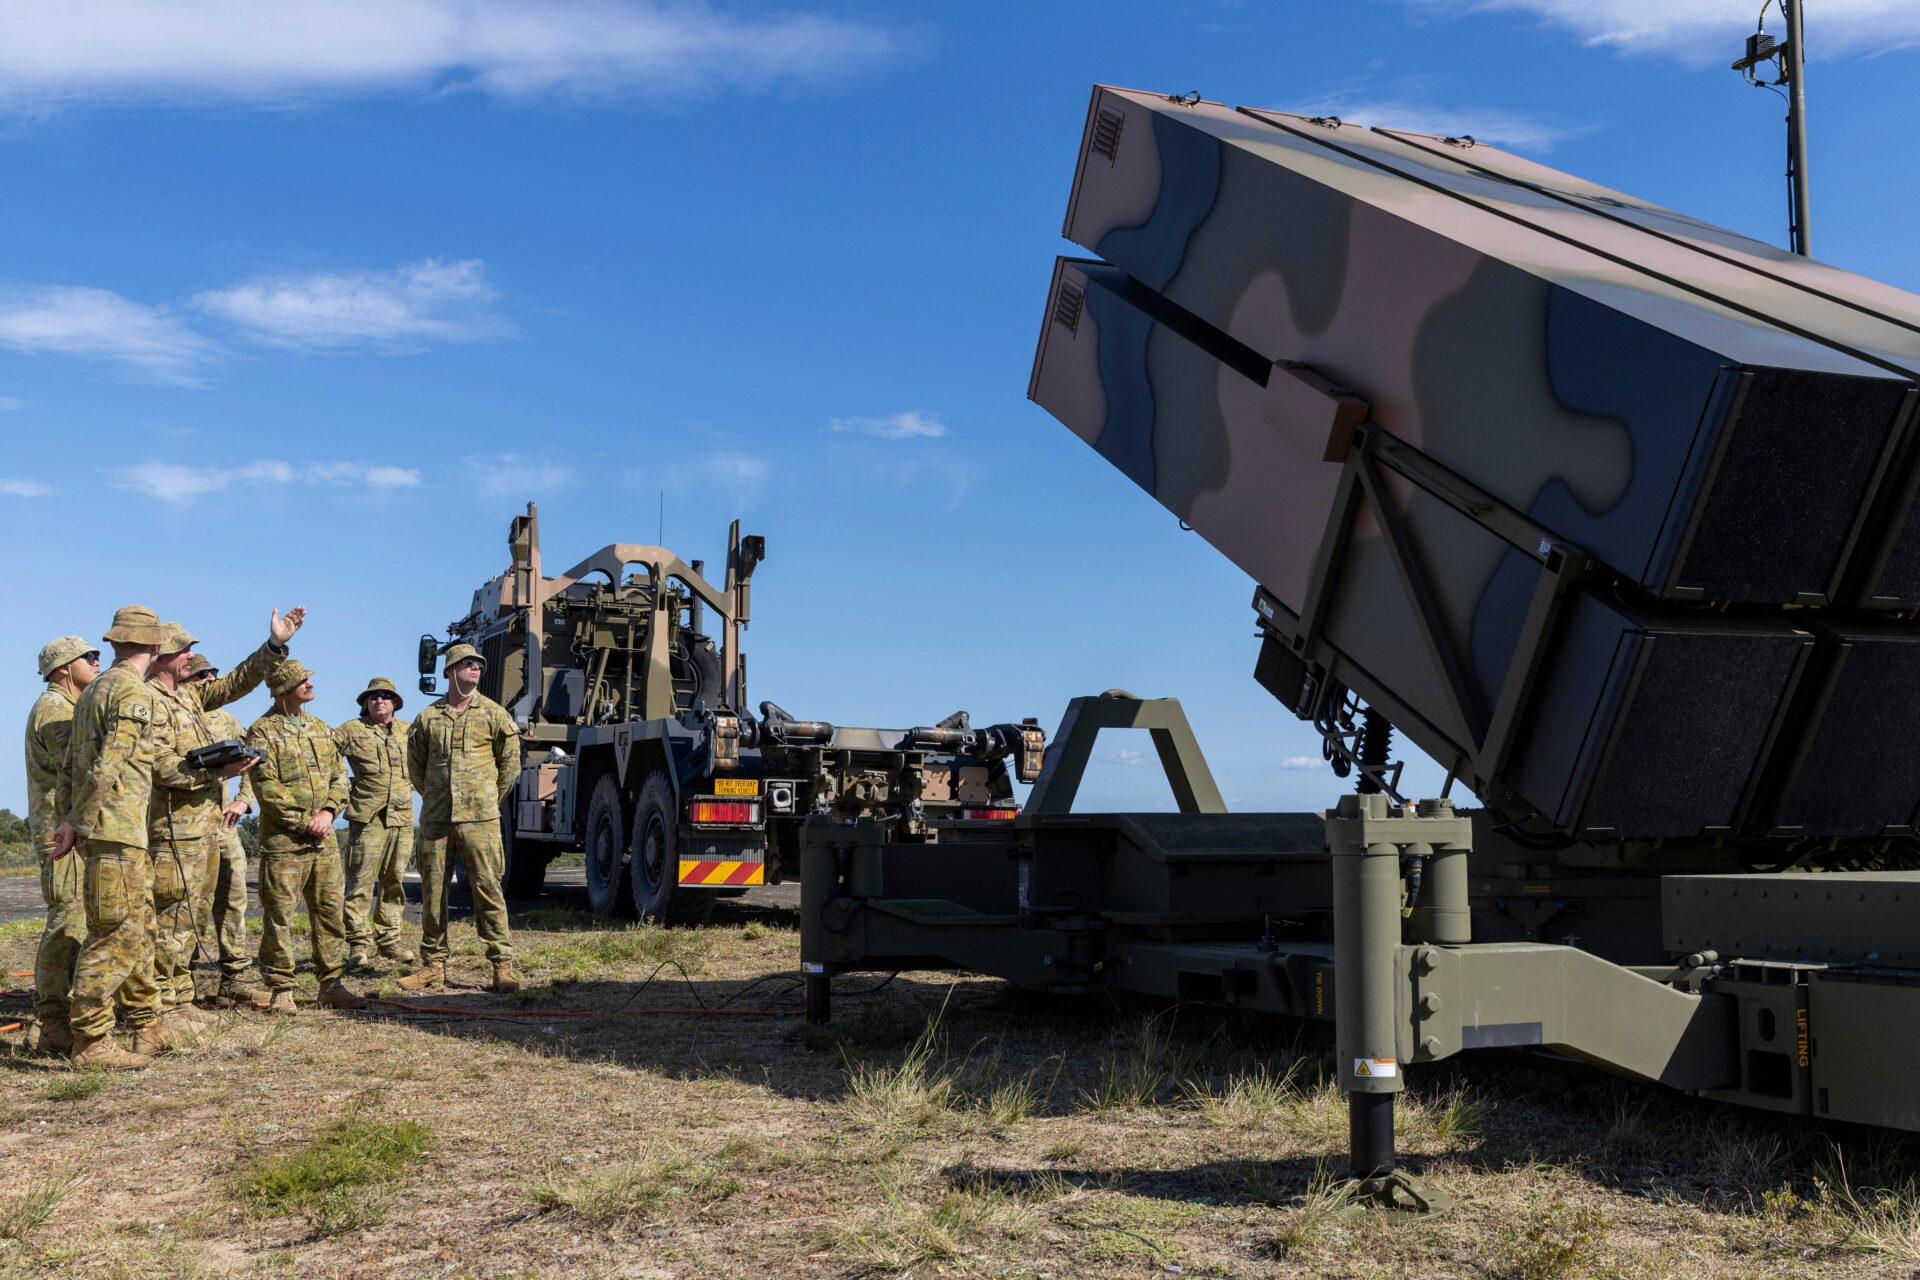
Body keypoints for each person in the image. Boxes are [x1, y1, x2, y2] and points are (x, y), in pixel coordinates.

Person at [53, 605, 299, 1067]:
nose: (190, 656)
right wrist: (78, 823)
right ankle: (91, 1039)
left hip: (123, 831)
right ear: (155, 646)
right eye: (182, 648)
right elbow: (111, 763)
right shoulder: (133, 692)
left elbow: (74, 767)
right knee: (116, 936)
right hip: (121, 830)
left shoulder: (96, 692)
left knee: (141, 929)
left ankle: (148, 1025)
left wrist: (72, 819)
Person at [146, 623, 284, 1026]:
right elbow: (160, 766)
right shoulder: (148, 699)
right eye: (184, 650)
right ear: (161, 656)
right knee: (172, 917)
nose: (192, 657)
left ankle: (182, 998)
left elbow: (236, 682)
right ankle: (164, 1003)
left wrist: (274, 645)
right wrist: (219, 773)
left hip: (205, 828)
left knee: (195, 914)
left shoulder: (188, 697)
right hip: (173, 829)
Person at [397, 643, 524, 994]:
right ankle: (433, 965)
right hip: (437, 818)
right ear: (450, 671)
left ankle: (502, 965)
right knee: (433, 891)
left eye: (479, 664)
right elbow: (416, 767)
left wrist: (486, 800)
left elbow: (510, 766)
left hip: (480, 819)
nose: (475, 668)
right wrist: (435, 796)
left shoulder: (495, 715)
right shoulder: (428, 718)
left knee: (487, 888)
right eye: (467, 663)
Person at [244, 659, 366, 1015]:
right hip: (284, 844)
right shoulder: (262, 732)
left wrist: (327, 813)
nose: (310, 684)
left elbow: (340, 777)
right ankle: (281, 988)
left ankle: (331, 984)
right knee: (279, 916)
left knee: (329, 912)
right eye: (303, 681)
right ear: (283, 690)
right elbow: (266, 788)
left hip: (323, 840)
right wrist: (303, 822)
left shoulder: (320, 728)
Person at [22, 637, 100, 1056]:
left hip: (69, 833)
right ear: (64, 668)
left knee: (78, 923)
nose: (97, 662)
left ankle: (60, 1016)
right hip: (59, 837)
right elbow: (80, 764)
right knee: (67, 924)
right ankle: (51, 1021)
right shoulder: (56, 708)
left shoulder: (70, 706)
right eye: (89, 657)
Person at [184, 655, 266, 1003]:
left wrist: (244, 801)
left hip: (223, 824)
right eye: (202, 674)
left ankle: (234, 977)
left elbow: (253, 761)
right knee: (188, 904)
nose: (210, 679)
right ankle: (182, 982)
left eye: (214, 673)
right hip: (185, 826)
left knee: (233, 897)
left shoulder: (226, 719)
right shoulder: (175, 718)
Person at [334, 678, 417, 970]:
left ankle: (389, 941)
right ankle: (358, 944)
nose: (379, 701)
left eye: (385, 696)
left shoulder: (410, 731)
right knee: (360, 882)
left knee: (394, 881)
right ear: (365, 704)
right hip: (368, 817)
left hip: (402, 816)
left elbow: (427, 760)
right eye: (373, 697)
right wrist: (343, 783)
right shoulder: (351, 730)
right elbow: (325, 757)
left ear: (395, 702)